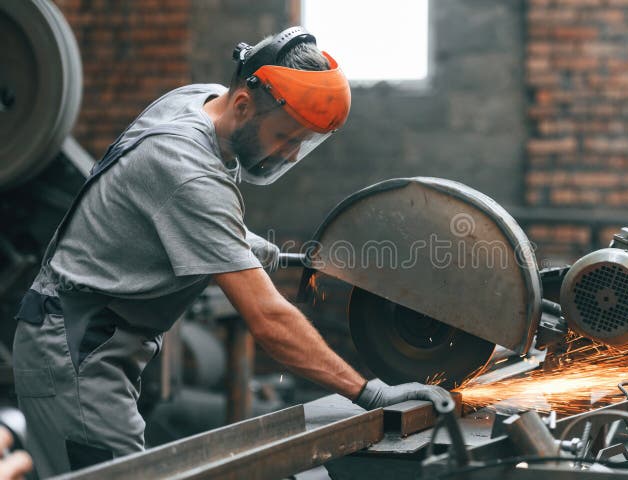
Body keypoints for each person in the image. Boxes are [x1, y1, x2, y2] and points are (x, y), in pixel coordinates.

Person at [12, 26, 450, 477]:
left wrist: (246, 242)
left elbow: (169, 203)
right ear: (243, 105)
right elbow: (270, 320)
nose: (293, 154)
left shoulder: (201, 100)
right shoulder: (187, 171)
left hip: (92, 339)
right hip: (74, 353)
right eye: (287, 136)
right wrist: (370, 393)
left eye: (304, 142)